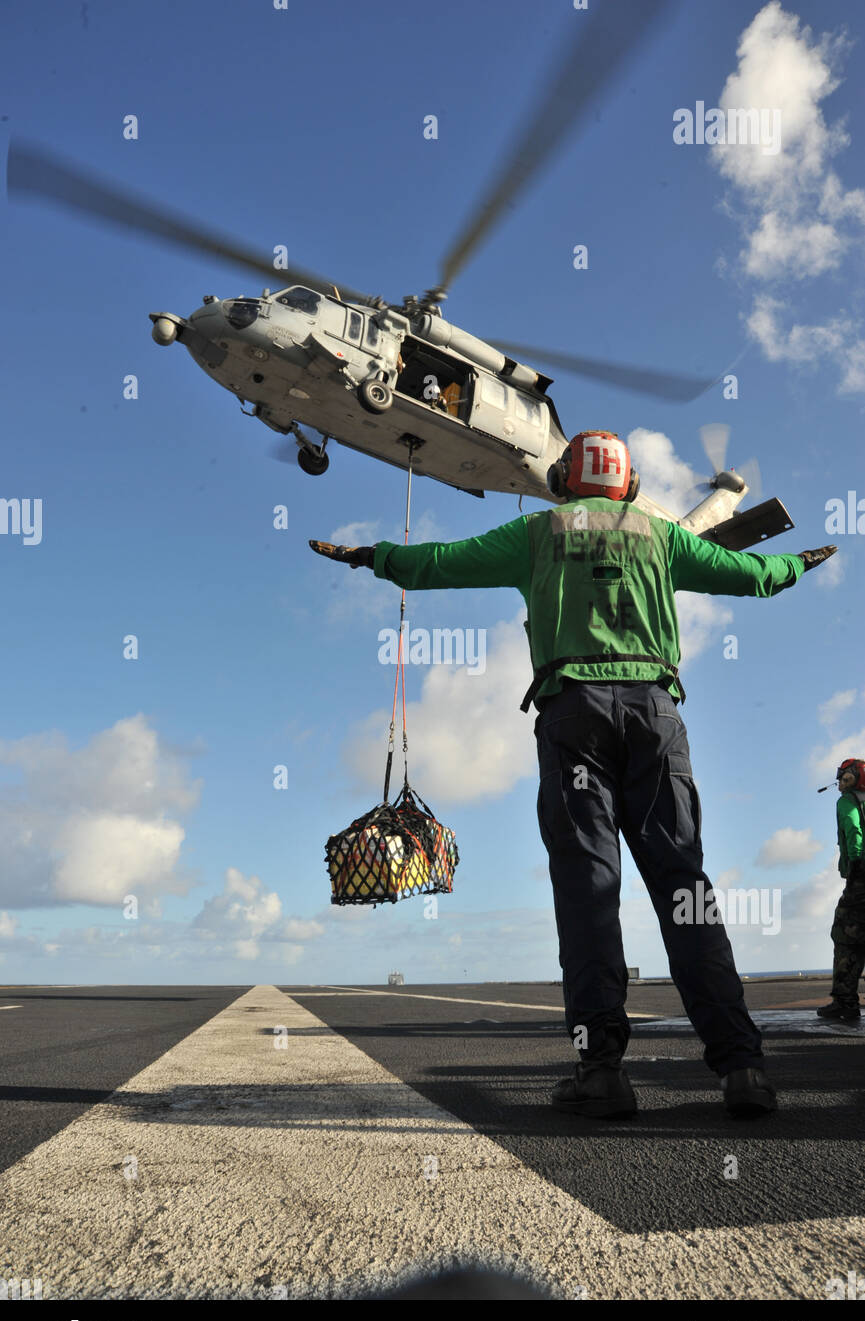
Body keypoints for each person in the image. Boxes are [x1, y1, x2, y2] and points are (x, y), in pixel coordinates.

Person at [309, 429, 837, 1118]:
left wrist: (369, 556)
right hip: (654, 714)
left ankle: (602, 1072)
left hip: (573, 718)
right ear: (630, 484)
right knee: (685, 888)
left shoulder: (539, 530)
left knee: (588, 892)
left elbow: (436, 563)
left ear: (563, 479)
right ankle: (741, 1070)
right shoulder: (659, 536)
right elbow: (750, 579)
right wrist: (796, 564)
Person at [817, 758, 865, 1023]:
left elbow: (853, 829)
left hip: (861, 879)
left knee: (845, 935)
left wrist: (856, 862)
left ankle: (845, 1002)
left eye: (843, 773)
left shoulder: (847, 802)